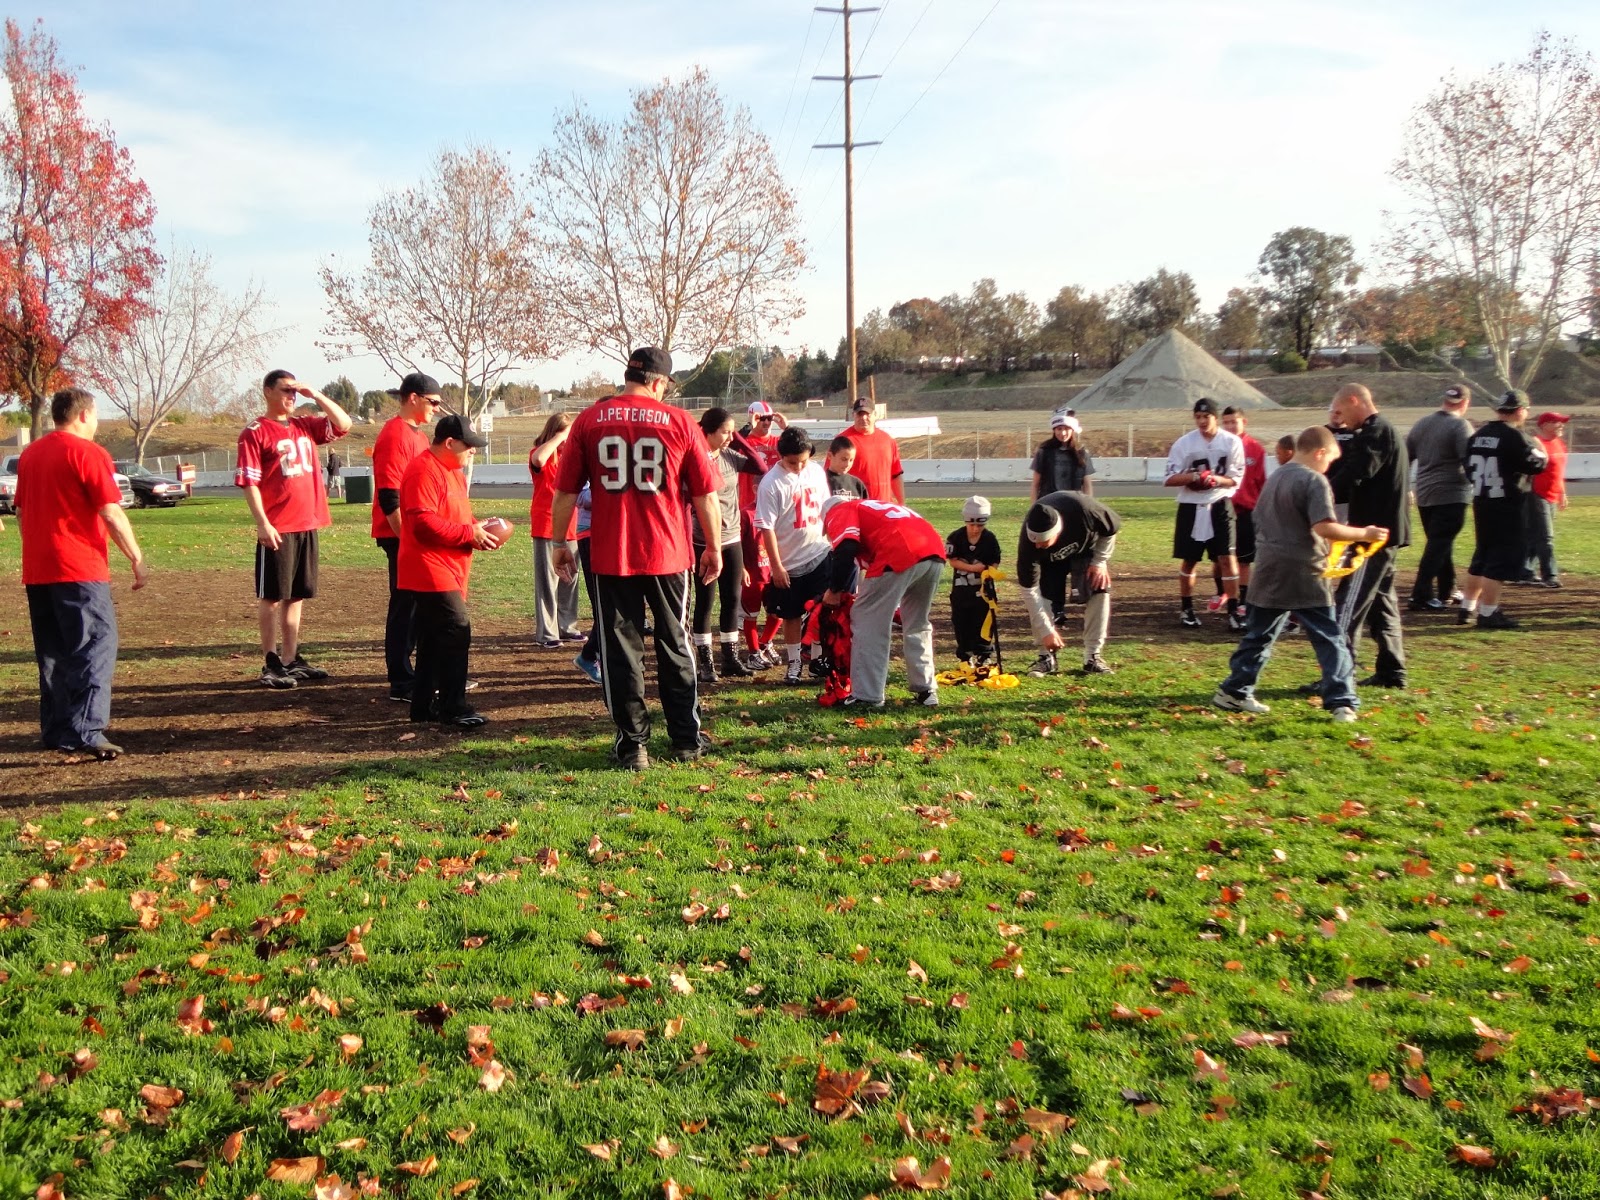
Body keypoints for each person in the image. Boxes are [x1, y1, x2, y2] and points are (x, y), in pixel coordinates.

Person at [550, 347, 722, 770]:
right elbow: (705, 495)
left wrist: (559, 542)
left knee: (619, 650)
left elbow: (566, 491)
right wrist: (715, 546)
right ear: (660, 382)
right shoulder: (681, 422)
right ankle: (684, 739)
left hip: (611, 552)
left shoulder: (590, 419)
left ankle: (633, 745)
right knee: (675, 644)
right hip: (667, 551)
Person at [1212, 426, 1387, 724]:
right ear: (1319, 453)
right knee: (1330, 638)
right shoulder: (1314, 480)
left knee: (1259, 636)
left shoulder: (1276, 476)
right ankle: (1342, 701)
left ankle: (1235, 690)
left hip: (1268, 568)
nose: (1329, 467)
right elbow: (1324, 527)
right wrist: (1365, 533)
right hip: (1304, 570)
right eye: (1330, 460)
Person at [14, 387, 149, 759]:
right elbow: (110, 510)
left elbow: (22, 511)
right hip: (78, 567)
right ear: (84, 415)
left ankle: (58, 728)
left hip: (39, 569)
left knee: (54, 651)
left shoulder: (30, 454)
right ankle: (88, 729)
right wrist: (136, 557)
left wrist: (37, 548)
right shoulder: (88, 453)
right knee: (94, 644)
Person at [236, 370, 353, 688]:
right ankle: (271, 661)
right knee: (272, 596)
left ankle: (290, 658)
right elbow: (250, 482)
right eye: (286, 390)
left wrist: (315, 394)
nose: (292, 396)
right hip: (278, 526)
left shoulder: (304, 424)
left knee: (296, 595)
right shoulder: (255, 431)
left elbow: (343, 425)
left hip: (306, 522)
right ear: (267, 391)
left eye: (295, 392)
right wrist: (262, 522)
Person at [399, 414, 506, 728]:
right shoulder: (423, 469)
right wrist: (467, 534)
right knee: (457, 631)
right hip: (429, 567)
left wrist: (478, 529)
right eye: (468, 445)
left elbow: (455, 519)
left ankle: (422, 707)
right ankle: (453, 706)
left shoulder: (453, 472)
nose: (473, 451)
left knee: (434, 638)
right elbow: (422, 523)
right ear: (449, 442)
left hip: (450, 566)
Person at [820, 497, 946, 708]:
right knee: (917, 623)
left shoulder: (841, 509)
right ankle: (926, 689)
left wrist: (834, 590)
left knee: (867, 620)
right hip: (933, 552)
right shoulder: (873, 507)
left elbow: (846, 547)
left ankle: (867, 695)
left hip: (899, 552)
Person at [1324, 383, 1409, 688]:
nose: (1341, 419)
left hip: (1371, 537)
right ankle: (1392, 672)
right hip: (1384, 533)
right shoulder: (1382, 430)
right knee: (1382, 605)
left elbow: (1357, 472)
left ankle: (1338, 676)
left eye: (1341, 411)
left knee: (1348, 603)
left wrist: (1320, 492)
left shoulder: (1375, 432)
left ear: (1354, 400)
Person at [371, 372, 439, 702]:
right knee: (404, 607)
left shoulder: (419, 437)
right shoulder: (395, 435)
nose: (436, 409)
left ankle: (421, 674)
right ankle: (401, 681)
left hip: (415, 533)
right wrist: (407, 542)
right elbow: (389, 496)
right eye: (432, 402)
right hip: (398, 533)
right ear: (413, 398)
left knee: (418, 607)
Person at [1457, 390, 1548, 630]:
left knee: (1482, 557)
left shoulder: (1477, 436)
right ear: (1520, 410)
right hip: (1507, 505)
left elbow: (1467, 469)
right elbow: (1536, 464)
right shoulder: (1515, 437)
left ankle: (1466, 607)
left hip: (1482, 502)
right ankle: (1488, 613)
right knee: (1499, 562)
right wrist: (1541, 450)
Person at [691, 407, 765, 683]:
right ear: (708, 431)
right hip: (704, 541)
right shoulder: (695, 460)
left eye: (731, 431)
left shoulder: (729, 456)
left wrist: (738, 436)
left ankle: (730, 658)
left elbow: (760, 466)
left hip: (733, 537)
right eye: (724, 431)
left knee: (732, 599)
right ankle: (706, 662)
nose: (728, 437)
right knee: (706, 602)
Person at [754, 426, 833, 684]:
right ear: (780, 456)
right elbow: (766, 527)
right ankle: (794, 662)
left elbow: (826, 509)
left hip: (819, 552)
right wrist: (776, 566)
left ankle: (818, 661)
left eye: (803, 460)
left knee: (821, 612)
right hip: (790, 561)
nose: (799, 466)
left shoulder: (817, 471)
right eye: (792, 462)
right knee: (791, 614)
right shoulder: (771, 483)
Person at [1015, 490, 1121, 677]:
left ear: (1056, 531)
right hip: (1050, 562)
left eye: (1043, 541)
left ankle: (1093, 656)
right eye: (1035, 541)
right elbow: (1029, 591)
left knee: (1100, 587)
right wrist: (1047, 631)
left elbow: (1112, 527)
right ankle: (1045, 657)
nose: (1038, 545)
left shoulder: (1084, 509)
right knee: (1043, 595)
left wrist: (1099, 561)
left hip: (1086, 549)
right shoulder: (1030, 546)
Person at [1165, 398, 1245, 630]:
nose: (1201, 421)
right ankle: (1187, 609)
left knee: (1228, 559)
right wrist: (1193, 478)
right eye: (1197, 417)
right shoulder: (1184, 443)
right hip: (1191, 506)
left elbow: (1235, 478)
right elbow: (1169, 478)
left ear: (1215, 417)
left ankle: (1233, 610)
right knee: (1190, 560)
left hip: (1220, 503)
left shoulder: (1231, 442)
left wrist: (1214, 479)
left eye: (1206, 416)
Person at [1404, 384, 1473, 611]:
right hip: (1452, 492)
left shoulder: (1422, 424)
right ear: (1465, 403)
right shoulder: (1460, 426)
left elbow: (1405, 456)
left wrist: (1406, 486)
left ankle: (1447, 589)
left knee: (1440, 543)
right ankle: (1420, 594)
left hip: (1425, 493)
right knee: (1439, 544)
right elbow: (1469, 461)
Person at [737, 401, 786, 668]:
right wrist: (750, 429)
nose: (766, 422)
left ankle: (765, 643)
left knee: (779, 599)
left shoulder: (779, 441)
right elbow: (732, 447)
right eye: (761, 418)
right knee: (753, 588)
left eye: (769, 418)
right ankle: (754, 648)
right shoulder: (746, 441)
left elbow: (800, 451)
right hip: (749, 515)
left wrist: (786, 426)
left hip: (776, 513)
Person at [528, 412, 582, 648]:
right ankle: (547, 633)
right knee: (548, 582)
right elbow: (539, 459)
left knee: (570, 577)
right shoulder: (542, 453)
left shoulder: (571, 457)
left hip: (573, 524)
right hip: (547, 524)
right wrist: (560, 437)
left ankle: (567, 626)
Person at [945, 496, 1003, 665]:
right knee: (962, 622)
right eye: (972, 524)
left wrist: (989, 571)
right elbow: (952, 560)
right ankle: (965, 655)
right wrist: (973, 568)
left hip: (983, 592)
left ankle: (984, 653)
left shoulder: (990, 539)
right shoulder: (955, 537)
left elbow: (994, 561)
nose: (976, 529)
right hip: (962, 591)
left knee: (983, 621)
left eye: (980, 525)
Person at [1219, 407, 1265, 617]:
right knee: (1222, 558)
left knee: (1244, 559)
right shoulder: (1218, 446)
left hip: (1246, 511)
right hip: (1221, 508)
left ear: (1243, 422)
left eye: (1233, 422)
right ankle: (1224, 593)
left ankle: (1244, 599)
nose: (1229, 426)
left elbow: (1260, 482)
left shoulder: (1255, 449)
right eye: (1226, 422)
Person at [1524, 411, 1570, 587]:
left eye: (1562, 422)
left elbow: (1558, 472)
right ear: (1544, 425)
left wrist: (1562, 492)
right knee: (1546, 536)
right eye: (1557, 422)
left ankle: (1524, 570)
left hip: (1551, 494)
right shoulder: (1536, 443)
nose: (1561, 426)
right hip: (1537, 493)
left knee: (1535, 534)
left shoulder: (1559, 444)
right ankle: (1549, 575)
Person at [839, 396, 905, 503]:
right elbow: (832, 476)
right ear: (853, 415)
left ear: (875, 415)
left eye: (867, 414)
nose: (863, 418)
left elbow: (896, 475)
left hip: (884, 507)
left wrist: (902, 504)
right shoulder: (843, 441)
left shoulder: (887, 440)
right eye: (859, 414)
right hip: (857, 507)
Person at [571, 484, 602, 685]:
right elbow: (580, 497)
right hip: (591, 533)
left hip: (619, 533)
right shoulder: (588, 453)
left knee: (617, 604)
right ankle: (590, 656)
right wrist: (612, 490)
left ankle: (594, 655)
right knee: (604, 605)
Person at [1029, 411, 1095, 499]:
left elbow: (1087, 485)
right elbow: (1035, 485)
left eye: (1067, 429)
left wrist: (1087, 507)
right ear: (1054, 430)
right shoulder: (1044, 452)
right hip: (1049, 505)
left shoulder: (1081, 452)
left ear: (1072, 430)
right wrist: (1034, 508)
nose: (1063, 433)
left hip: (1074, 504)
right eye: (1059, 429)